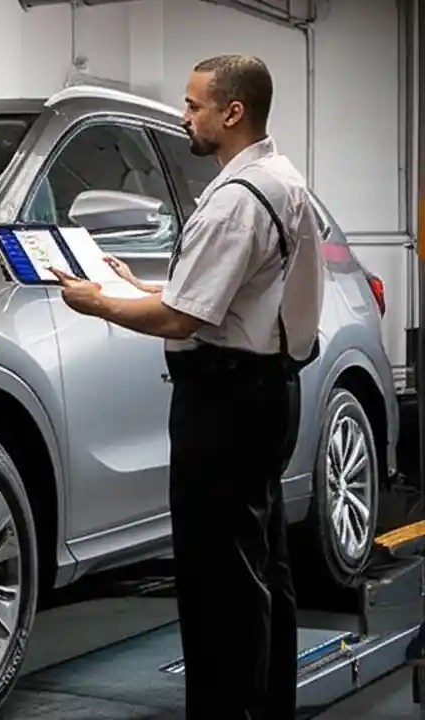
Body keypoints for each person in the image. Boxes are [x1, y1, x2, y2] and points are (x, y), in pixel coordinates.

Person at [50, 54, 325, 719]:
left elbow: (185, 316)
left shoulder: (234, 202)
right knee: (261, 569)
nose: (185, 116)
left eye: (194, 105)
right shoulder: (279, 180)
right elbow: (224, 295)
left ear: (233, 113)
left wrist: (98, 303)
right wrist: (132, 283)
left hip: (225, 404)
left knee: (218, 582)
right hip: (265, 392)